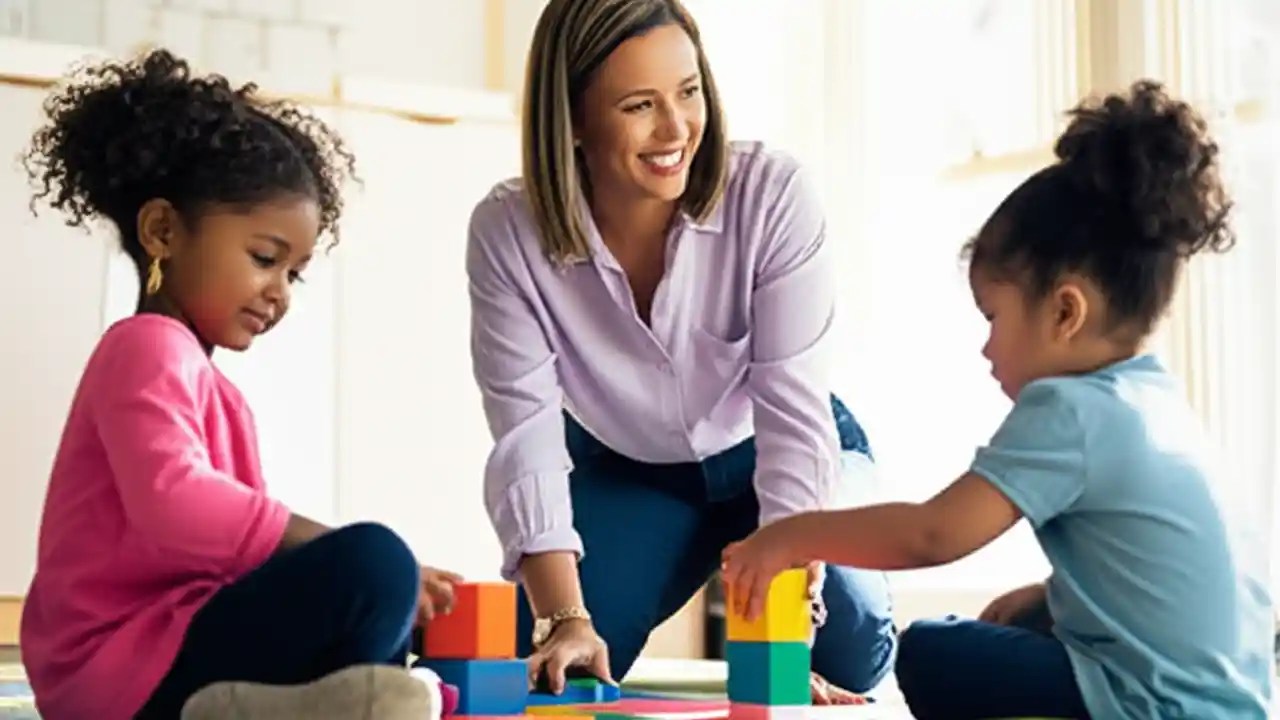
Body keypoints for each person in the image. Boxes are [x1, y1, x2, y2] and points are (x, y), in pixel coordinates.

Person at [721, 80, 1276, 720]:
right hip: (1235, 704)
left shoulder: (1070, 409)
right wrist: (1047, 600)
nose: (987, 347)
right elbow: (1162, 583)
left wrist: (790, 535)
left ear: (1064, 312)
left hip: (1145, 705)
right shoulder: (1158, 404)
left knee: (930, 649)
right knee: (1005, 629)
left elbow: (932, 533)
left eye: (993, 317)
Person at [466, 0, 895, 702]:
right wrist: (563, 617)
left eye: (688, 92)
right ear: (572, 119)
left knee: (850, 658)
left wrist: (781, 645)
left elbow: (792, 413)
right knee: (548, 665)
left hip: (771, 445)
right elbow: (525, 434)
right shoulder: (507, 232)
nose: (675, 130)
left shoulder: (772, 194)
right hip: (632, 470)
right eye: (639, 105)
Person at [19, 49, 462, 720]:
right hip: (119, 670)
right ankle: (359, 694)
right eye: (264, 258)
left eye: (293, 273)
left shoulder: (207, 382)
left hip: (174, 649)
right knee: (376, 560)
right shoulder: (144, 346)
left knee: (382, 581)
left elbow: (230, 560)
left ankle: (338, 698)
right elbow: (176, 506)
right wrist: (332, 549)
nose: (279, 292)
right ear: (162, 232)